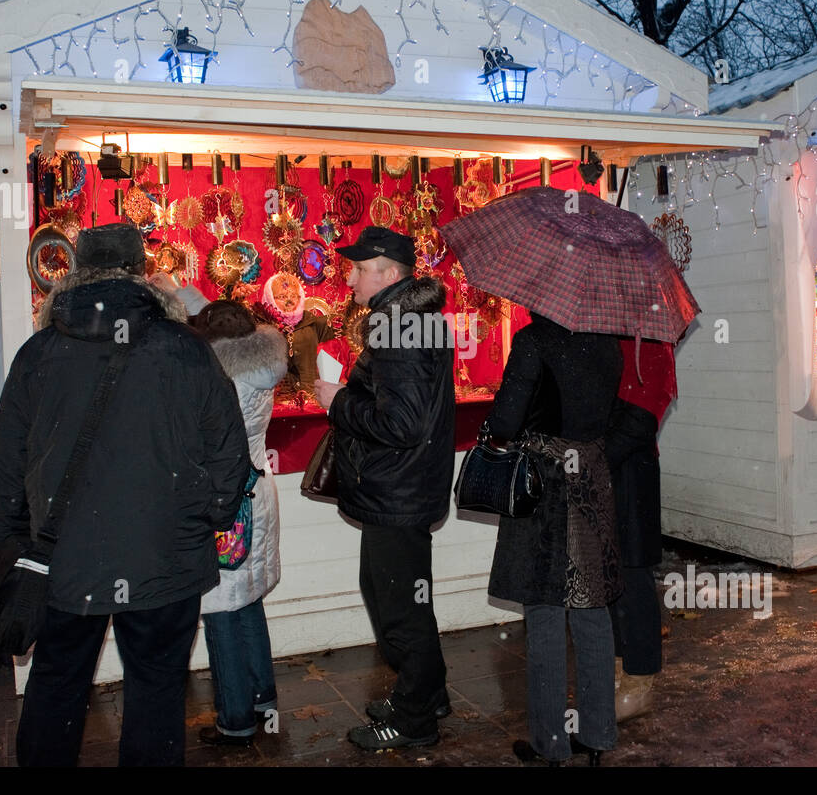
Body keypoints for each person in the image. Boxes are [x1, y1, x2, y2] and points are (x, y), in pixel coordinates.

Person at [0, 224, 250, 767]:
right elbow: (229, 448)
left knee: (56, 682)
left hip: (63, 559)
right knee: (155, 687)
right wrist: (215, 514)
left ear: (76, 274)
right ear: (140, 274)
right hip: (165, 555)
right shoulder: (186, 350)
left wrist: (11, 543)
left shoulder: (39, 353)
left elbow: (2, 462)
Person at [313, 226, 455, 751]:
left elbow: (402, 424)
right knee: (400, 601)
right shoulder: (410, 322)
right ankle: (427, 694)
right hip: (403, 491)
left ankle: (416, 722)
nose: (348, 276)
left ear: (390, 274)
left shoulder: (399, 329)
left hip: (398, 494)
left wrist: (337, 402)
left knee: (400, 611)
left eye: (358, 268)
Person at [485, 312, 622, 766]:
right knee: (592, 607)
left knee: (544, 608)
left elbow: (505, 421)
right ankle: (598, 735)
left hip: (544, 481)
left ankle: (550, 744)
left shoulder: (534, 341)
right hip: (591, 478)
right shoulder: (607, 342)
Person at [187, 300, 288, 749]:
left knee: (222, 609)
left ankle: (235, 719)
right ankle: (262, 696)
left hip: (229, 501)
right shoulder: (261, 366)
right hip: (258, 490)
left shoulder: (217, 379)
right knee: (248, 600)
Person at [606, 337, 677, 721]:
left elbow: (644, 414)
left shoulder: (649, 340)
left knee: (633, 573)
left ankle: (639, 677)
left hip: (631, 469)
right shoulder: (605, 330)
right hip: (602, 465)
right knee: (608, 571)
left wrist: (596, 457)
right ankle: (617, 666)